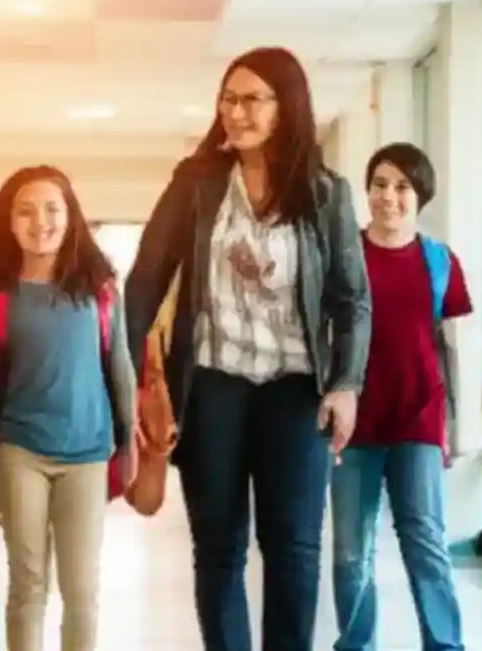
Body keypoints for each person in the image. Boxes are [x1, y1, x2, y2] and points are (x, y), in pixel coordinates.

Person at [124, 46, 372, 651]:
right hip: (213, 384)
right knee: (218, 549)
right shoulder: (197, 182)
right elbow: (146, 277)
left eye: (251, 99)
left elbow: (352, 298)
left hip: (295, 386)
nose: (236, 112)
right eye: (228, 98)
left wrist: (346, 384)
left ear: (285, 108)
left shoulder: (324, 193)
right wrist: (131, 380)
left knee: (294, 546)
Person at [0, 165, 138, 651]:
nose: (38, 220)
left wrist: (129, 442)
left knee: (81, 589)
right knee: (27, 586)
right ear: (8, 220)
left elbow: (119, 363)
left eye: (51, 208)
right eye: (25, 210)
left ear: (70, 218)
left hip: (87, 453)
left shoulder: (99, 288)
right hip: (20, 449)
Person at [331, 143, 470, 651]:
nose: (389, 197)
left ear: (421, 197)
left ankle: (444, 644)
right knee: (350, 551)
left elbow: (446, 345)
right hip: (353, 422)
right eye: (380, 185)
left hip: (419, 416)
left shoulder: (439, 260)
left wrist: (455, 427)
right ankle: (356, 645)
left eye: (402, 187)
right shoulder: (344, 254)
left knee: (426, 543)